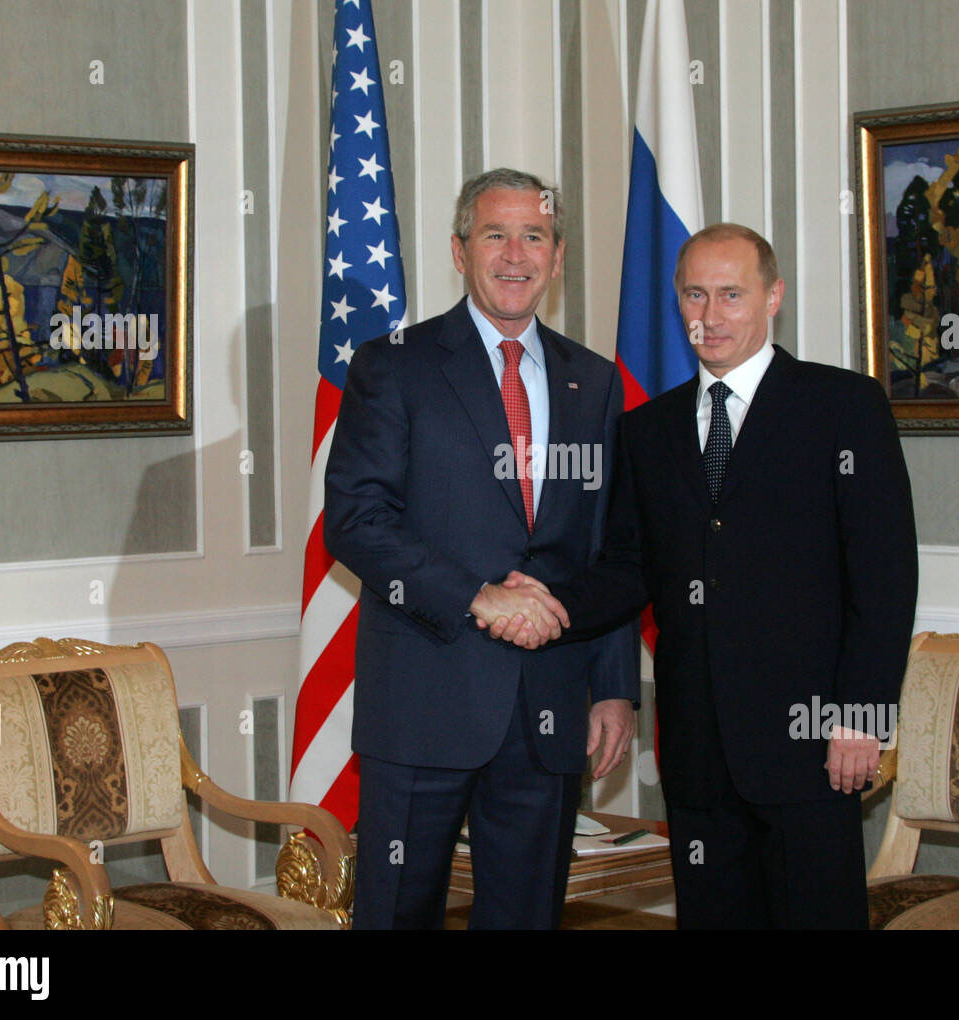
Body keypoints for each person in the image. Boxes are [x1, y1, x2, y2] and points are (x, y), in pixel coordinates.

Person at [490, 223, 918, 928]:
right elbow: (631, 568)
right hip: (696, 752)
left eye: (730, 294)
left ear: (772, 297)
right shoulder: (647, 429)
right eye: (694, 294)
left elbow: (885, 575)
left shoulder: (844, 407)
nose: (709, 315)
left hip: (813, 745)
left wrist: (861, 717)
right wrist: (552, 601)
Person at [323, 167, 639, 930]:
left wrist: (613, 684)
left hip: (550, 708)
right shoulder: (393, 365)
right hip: (425, 701)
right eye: (494, 234)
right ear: (460, 251)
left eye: (534, 236)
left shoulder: (593, 383)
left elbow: (608, 545)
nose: (514, 254)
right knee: (397, 913)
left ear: (558, 257)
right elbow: (356, 521)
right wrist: (477, 596)